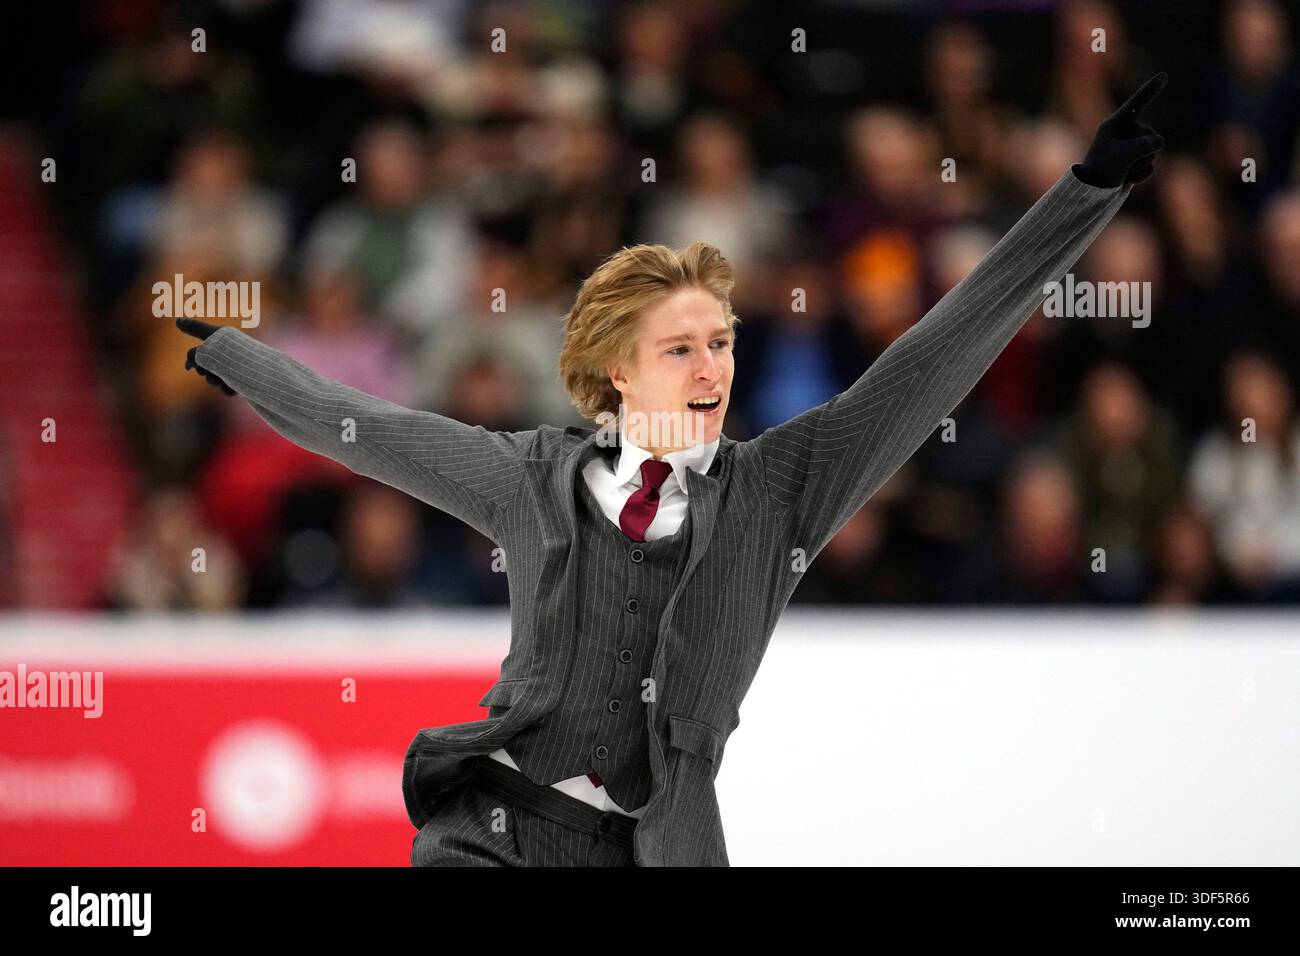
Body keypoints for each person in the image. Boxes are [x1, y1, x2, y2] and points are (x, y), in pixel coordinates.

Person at [178, 74, 1167, 866]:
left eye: (724, 342)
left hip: (650, 848)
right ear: (619, 367)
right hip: (490, 832)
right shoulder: (530, 472)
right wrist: (236, 356)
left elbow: (936, 352)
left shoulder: (785, 484)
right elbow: (372, 428)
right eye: (682, 347)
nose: (713, 367)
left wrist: (1084, 195)